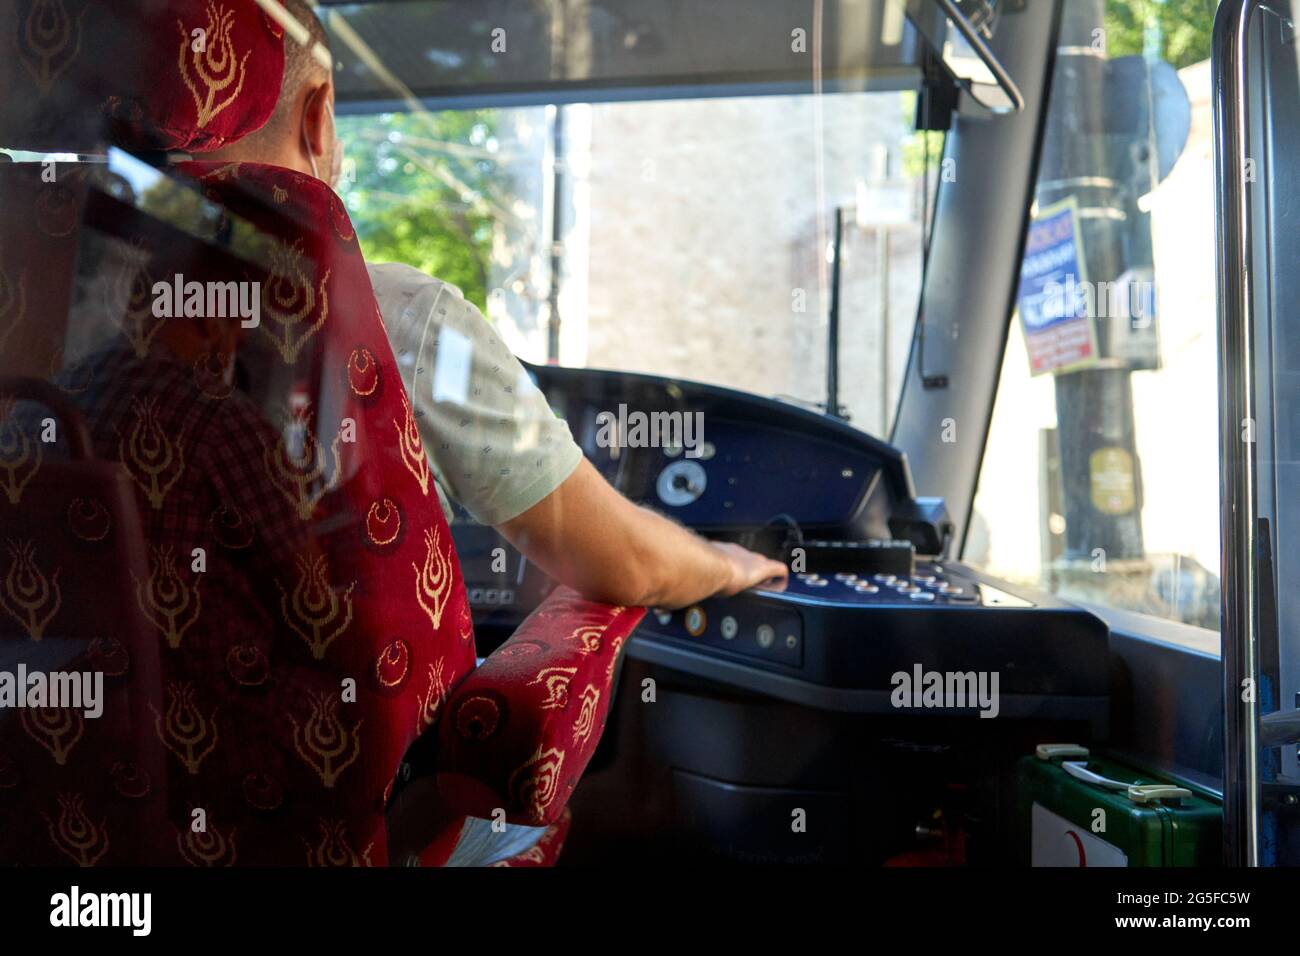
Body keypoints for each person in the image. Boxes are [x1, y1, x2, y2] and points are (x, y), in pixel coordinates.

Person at [202, 0, 788, 611]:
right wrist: (728, 562)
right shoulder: (399, 321)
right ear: (318, 116)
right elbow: (630, 566)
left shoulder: (109, 323)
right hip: (370, 711)